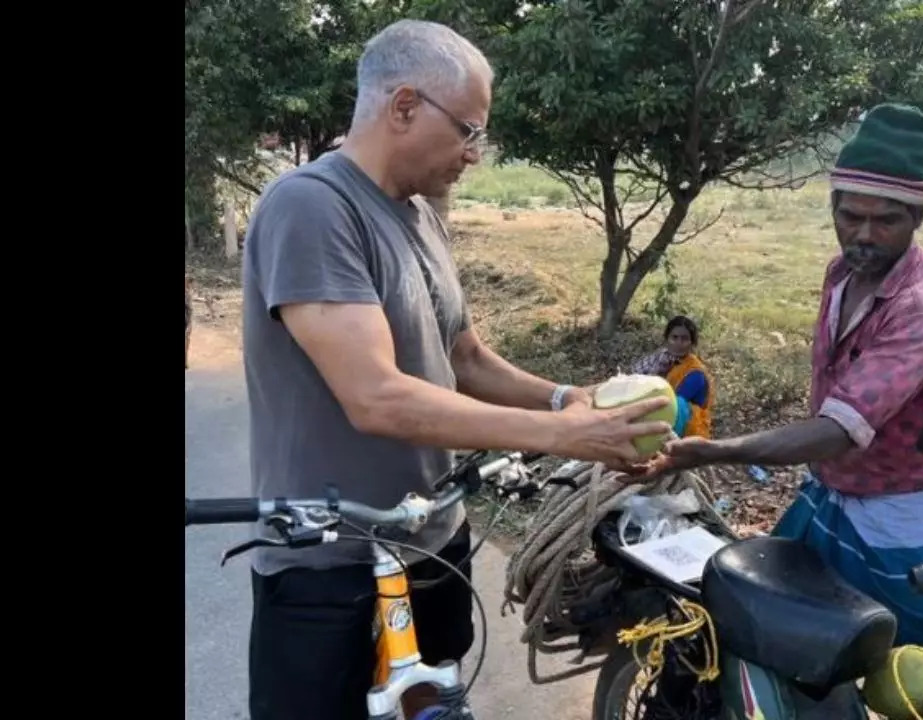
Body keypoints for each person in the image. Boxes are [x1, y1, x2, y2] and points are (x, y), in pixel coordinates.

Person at [238, 20, 671, 720]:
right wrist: (563, 437)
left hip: (433, 541)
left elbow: (462, 355)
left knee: (433, 706)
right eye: (469, 130)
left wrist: (568, 399)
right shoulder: (313, 207)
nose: (475, 154)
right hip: (334, 564)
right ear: (404, 106)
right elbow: (375, 397)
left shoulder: (418, 215)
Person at [632, 103, 923, 651]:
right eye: (849, 216)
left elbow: (839, 428)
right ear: (832, 206)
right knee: (790, 638)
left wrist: (711, 450)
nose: (863, 235)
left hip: (898, 514)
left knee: (906, 667)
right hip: (830, 489)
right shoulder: (842, 273)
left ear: (918, 217)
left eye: (886, 221)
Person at [630, 315, 714, 438]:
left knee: (674, 402)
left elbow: (671, 405)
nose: (679, 343)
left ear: (692, 343)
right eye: (674, 338)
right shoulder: (663, 360)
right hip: (666, 419)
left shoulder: (696, 373)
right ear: (666, 339)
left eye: (684, 339)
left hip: (689, 431)